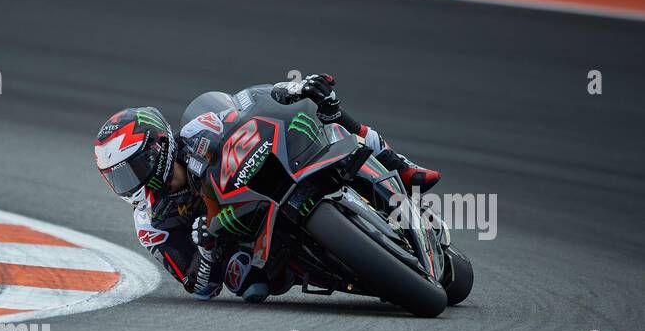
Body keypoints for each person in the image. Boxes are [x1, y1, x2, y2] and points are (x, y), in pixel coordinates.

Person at [93, 74, 438, 301]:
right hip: (251, 243)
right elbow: (198, 287)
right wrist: (208, 249)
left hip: (271, 175)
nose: (131, 184)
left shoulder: (197, 129)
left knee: (326, 111)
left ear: (157, 147)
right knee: (245, 282)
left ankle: (401, 166)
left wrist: (291, 89)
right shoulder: (150, 224)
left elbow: (245, 102)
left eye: (132, 169)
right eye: (118, 179)